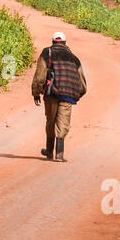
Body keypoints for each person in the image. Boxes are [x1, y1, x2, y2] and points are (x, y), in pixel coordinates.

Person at [30, 30, 87, 161]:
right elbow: (82, 82)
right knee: (63, 122)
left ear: (53, 42)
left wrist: (36, 93)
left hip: (51, 93)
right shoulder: (74, 58)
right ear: (65, 43)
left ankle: (49, 151)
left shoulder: (47, 52)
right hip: (68, 94)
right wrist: (77, 94)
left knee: (51, 121)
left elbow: (40, 75)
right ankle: (59, 154)